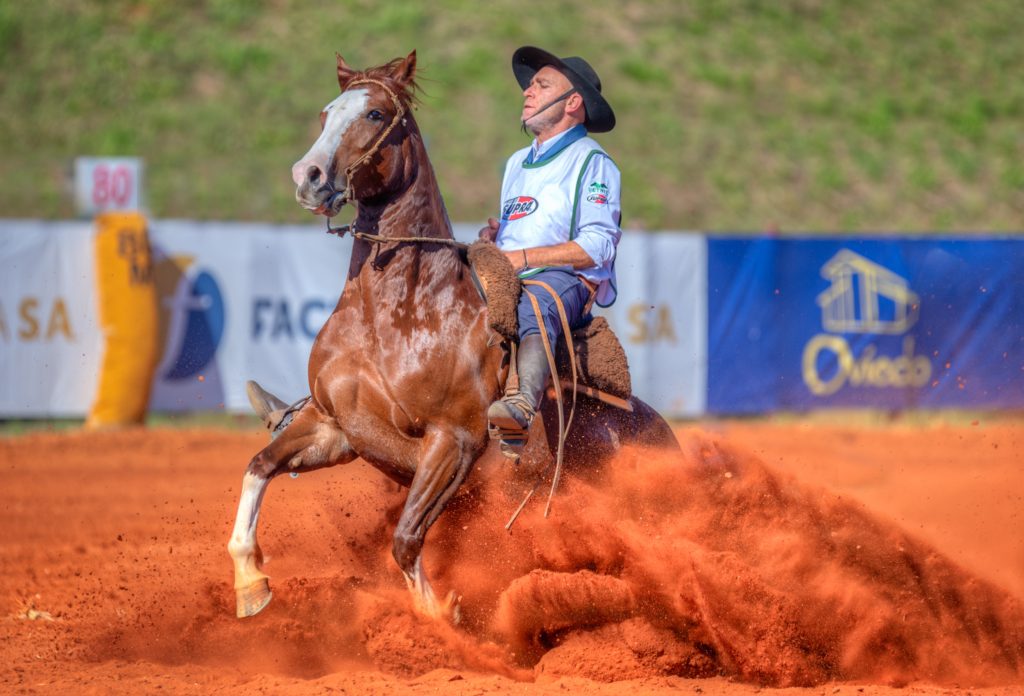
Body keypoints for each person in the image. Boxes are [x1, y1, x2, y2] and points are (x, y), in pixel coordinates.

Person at [481, 46, 622, 453]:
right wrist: (498, 238)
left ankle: (522, 407)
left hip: (566, 282)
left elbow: (597, 244)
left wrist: (522, 258)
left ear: (573, 102)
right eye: (530, 85)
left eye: (541, 85)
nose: (528, 91)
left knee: (535, 302)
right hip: (508, 272)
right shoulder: (516, 162)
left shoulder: (593, 161)